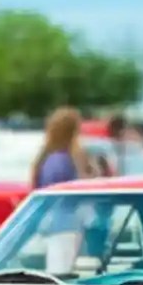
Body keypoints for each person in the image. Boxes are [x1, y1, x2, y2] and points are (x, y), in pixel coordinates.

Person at [31, 107, 92, 273]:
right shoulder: (65, 161)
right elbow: (79, 192)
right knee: (61, 272)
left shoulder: (47, 159)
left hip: (48, 223)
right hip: (66, 226)